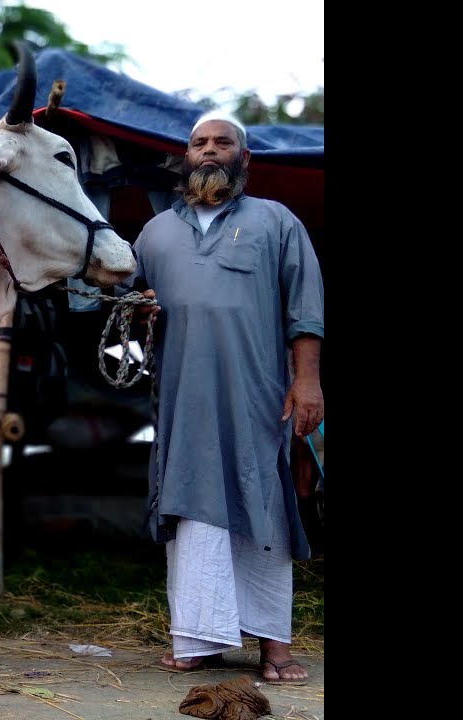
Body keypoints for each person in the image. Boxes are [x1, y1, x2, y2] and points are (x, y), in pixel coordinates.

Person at [123, 110, 324, 685]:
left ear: (245, 158)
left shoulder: (275, 221)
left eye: (222, 143)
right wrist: (139, 312)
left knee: (263, 508)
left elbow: (305, 310)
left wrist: (306, 381)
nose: (208, 150)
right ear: (186, 158)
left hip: (259, 398)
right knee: (192, 512)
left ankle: (273, 646)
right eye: (198, 143)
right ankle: (198, 641)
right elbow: (127, 311)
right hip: (184, 402)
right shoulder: (155, 233)